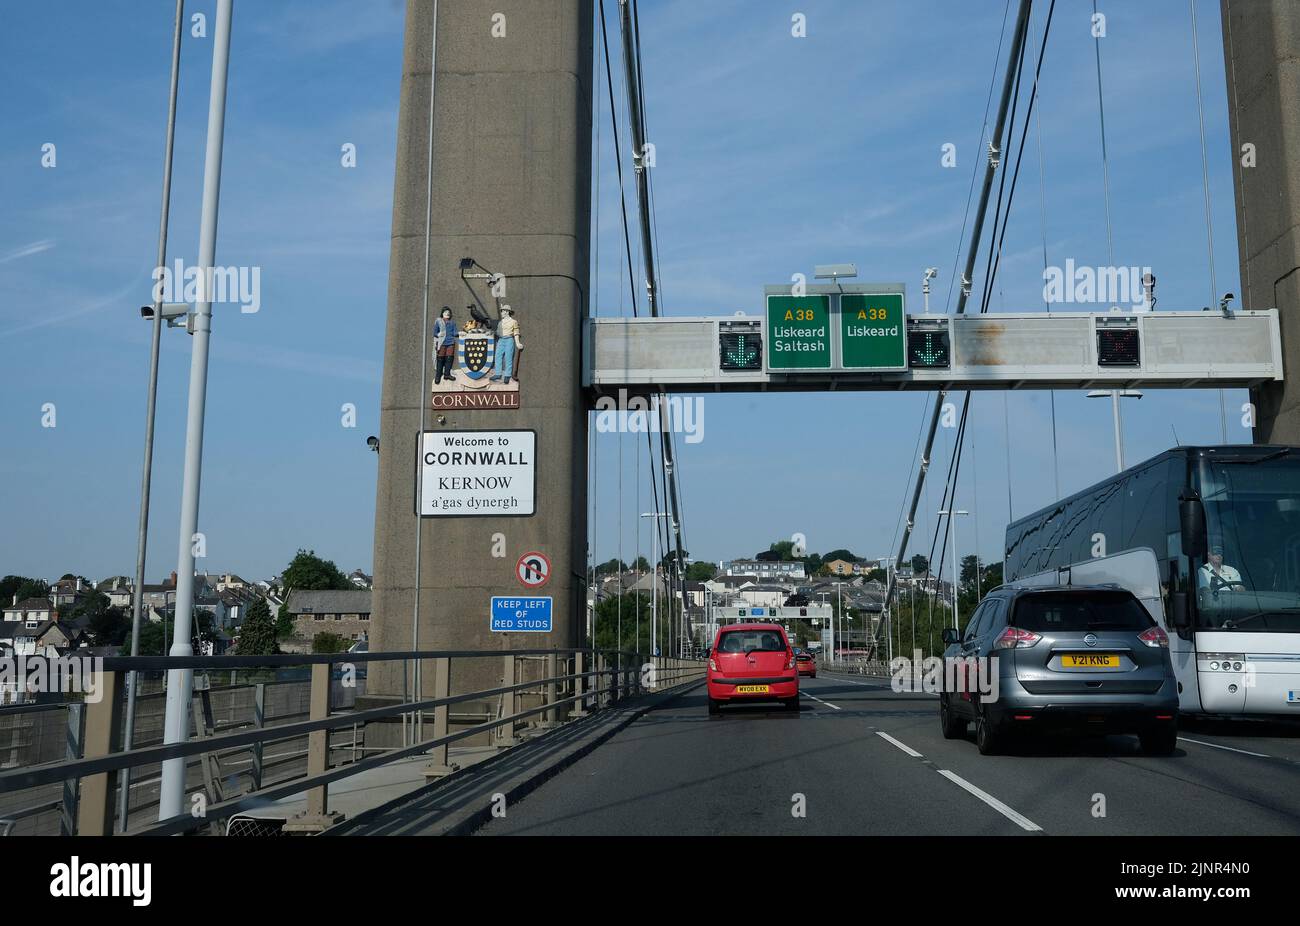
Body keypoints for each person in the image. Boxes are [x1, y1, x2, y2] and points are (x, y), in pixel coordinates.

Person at [490, 306, 521, 384]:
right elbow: (498, 332)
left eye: (502, 311)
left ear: (507, 312)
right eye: (501, 311)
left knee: (508, 357)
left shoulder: (513, 322)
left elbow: (516, 332)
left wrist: (517, 343)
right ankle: (498, 374)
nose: (501, 313)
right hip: (501, 340)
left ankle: (507, 375)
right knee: (497, 356)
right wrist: (492, 333)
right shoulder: (500, 322)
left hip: (509, 340)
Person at [433, 306, 457, 384]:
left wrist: (461, 333)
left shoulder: (452, 323)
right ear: (442, 313)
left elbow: (455, 333)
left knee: (449, 358)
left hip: (450, 342)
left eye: (448, 312)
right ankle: (438, 375)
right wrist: (438, 334)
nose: (447, 313)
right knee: (440, 359)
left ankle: (447, 374)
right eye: (446, 312)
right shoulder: (439, 322)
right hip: (442, 342)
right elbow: (435, 333)